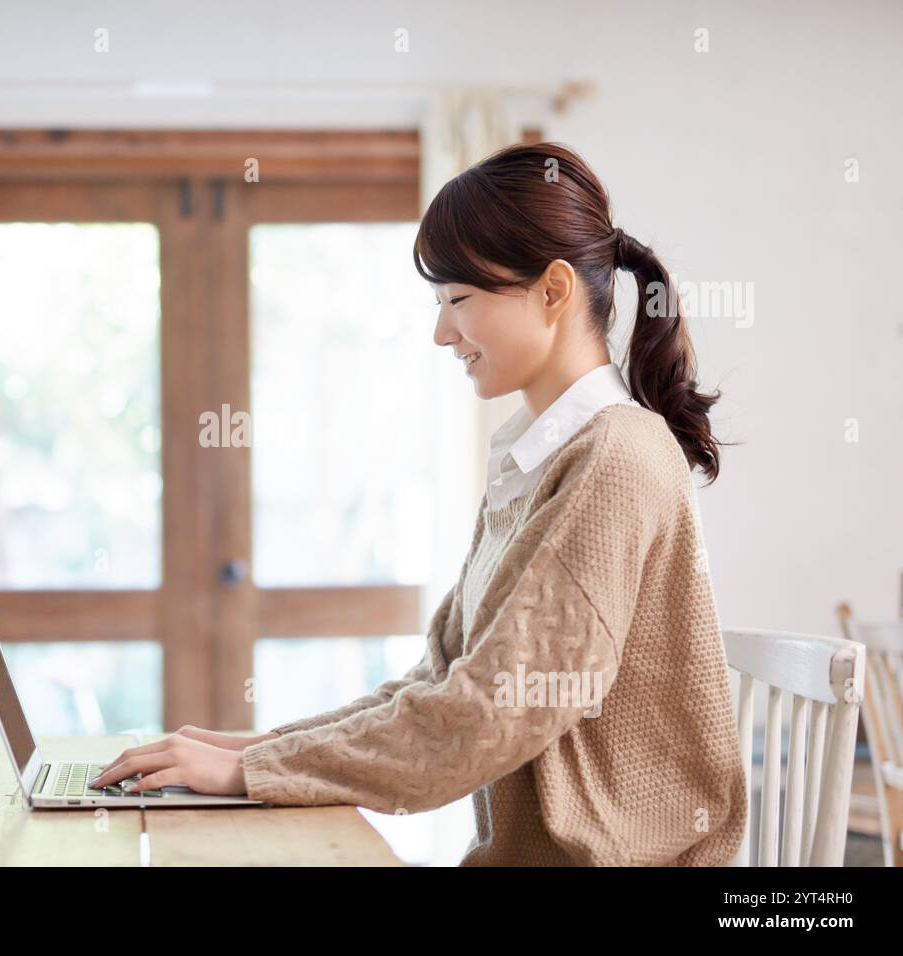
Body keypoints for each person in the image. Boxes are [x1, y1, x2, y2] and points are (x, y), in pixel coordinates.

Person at [92, 141, 748, 866]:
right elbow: (441, 684)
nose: (442, 333)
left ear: (554, 291)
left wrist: (254, 774)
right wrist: (260, 751)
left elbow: (492, 714)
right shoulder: (539, 460)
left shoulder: (617, 458)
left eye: (458, 300)